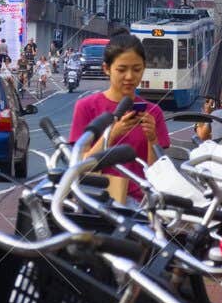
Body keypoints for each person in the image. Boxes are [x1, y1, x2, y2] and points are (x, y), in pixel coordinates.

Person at [68, 34, 170, 202]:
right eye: (121, 70)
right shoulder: (86, 107)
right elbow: (80, 165)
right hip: (97, 200)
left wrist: (152, 139)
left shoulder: (154, 112)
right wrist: (111, 134)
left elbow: (157, 171)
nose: (129, 77)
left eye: (137, 69)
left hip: (141, 203)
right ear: (106, 69)